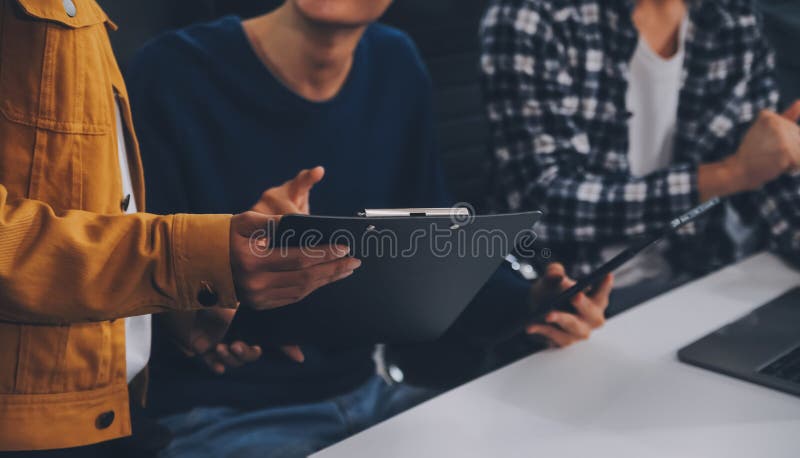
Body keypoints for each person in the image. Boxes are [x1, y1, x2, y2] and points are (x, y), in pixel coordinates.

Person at [127, 0, 614, 456]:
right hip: (217, 414)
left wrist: (534, 304)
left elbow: (429, 250)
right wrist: (206, 307)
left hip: (366, 395)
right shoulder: (171, 73)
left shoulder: (395, 63)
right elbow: (126, 278)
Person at [0, 0, 358, 455]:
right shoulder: (171, 63)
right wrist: (196, 261)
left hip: (113, 407)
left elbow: (87, 210)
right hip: (42, 430)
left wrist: (202, 307)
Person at [481, 0, 800, 311]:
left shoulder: (733, 18)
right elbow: (541, 205)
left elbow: (767, 174)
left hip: (699, 284)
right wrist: (730, 175)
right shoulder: (534, 17)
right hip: (577, 298)